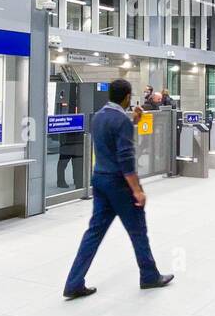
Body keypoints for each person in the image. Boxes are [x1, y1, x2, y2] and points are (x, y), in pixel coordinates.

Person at [63, 78, 173, 300]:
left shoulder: (99, 116)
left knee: (93, 233)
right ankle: (149, 276)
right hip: (119, 183)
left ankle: (74, 282)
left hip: (100, 179)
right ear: (126, 97)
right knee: (138, 230)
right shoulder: (120, 120)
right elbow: (125, 158)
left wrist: (132, 121)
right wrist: (137, 190)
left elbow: (111, 137)